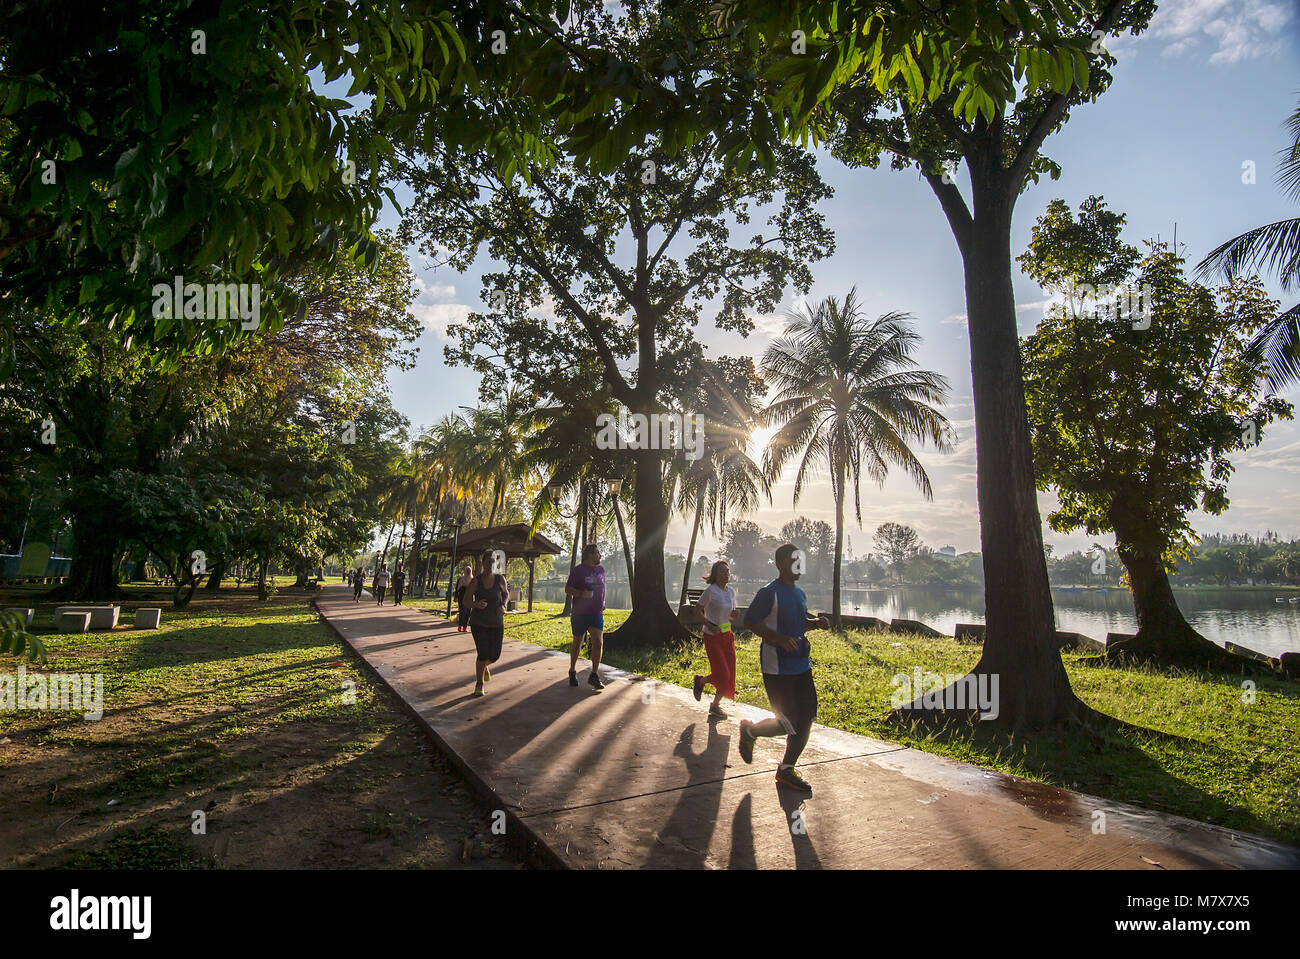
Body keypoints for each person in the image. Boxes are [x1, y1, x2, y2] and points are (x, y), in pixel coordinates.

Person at [737, 543, 829, 794]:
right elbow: (751, 621)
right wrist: (779, 639)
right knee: (788, 721)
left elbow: (799, 624)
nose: (799, 566)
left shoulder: (799, 594)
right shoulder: (769, 592)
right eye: (793, 561)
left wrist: (815, 624)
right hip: (777, 666)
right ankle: (751, 730)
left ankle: (786, 769)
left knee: (807, 717)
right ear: (779, 564)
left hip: (801, 664)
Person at [692, 560, 737, 720]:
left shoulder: (731, 591)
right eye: (722, 571)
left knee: (729, 673)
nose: (726, 574)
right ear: (715, 574)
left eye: (728, 571)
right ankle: (701, 681)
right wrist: (709, 625)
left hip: (727, 634)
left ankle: (715, 706)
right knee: (722, 673)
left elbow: (729, 613)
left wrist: (733, 615)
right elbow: (697, 610)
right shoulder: (710, 591)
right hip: (712, 636)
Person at [467, 549, 510, 697]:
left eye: (493, 561)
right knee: (483, 653)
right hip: (479, 623)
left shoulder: (500, 579)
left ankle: (484, 666)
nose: (491, 564)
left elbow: (505, 594)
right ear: (483, 562)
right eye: (488, 561)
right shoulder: (476, 580)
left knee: (495, 655)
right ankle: (479, 684)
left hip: (496, 622)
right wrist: (476, 604)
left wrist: (503, 605)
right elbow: (466, 601)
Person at [564, 544, 606, 690]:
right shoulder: (578, 570)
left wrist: (603, 601)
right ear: (590, 554)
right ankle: (572, 670)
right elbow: (567, 589)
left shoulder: (601, 570)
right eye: (598, 553)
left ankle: (593, 675)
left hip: (596, 613)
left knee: (598, 643)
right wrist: (581, 594)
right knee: (578, 642)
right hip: (579, 613)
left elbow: (603, 588)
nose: (600, 556)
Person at [454, 564, 474, 632]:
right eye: (467, 571)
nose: (468, 572)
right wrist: (456, 597)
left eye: (469, 571)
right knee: (463, 611)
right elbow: (457, 589)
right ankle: (460, 626)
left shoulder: (472, 579)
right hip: (462, 597)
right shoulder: (461, 579)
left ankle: (465, 627)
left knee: (468, 612)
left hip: (470, 597)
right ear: (465, 571)